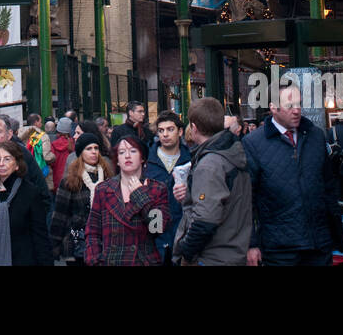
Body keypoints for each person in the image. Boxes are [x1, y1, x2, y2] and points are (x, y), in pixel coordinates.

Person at [243, 84, 343, 266]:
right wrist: (251, 244)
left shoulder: (315, 136)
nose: (296, 110)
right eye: (290, 106)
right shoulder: (253, 143)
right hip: (280, 246)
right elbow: (246, 197)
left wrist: (332, 229)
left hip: (318, 242)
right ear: (273, 107)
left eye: (299, 104)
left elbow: (328, 184)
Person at [171, 98, 251, 266]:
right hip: (234, 253)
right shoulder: (232, 153)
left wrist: (186, 253)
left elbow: (205, 220)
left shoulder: (210, 165)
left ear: (193, 128)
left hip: (211, 257)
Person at [84, 133, 170, 266]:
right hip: (110, 261)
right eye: (122, 152)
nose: (127, 156)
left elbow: (158, 228)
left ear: (142, 157)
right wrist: (94, 260)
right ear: (117, 160)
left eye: (133, 151)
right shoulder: (103, 189)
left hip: (143, 261)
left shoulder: (157, 189)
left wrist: (139, 194)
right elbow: (93, 231)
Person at [0, 139, 51, 266]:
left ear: (17, 164)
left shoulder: (30, 193)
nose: (1, 164)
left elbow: (40, 237)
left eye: (7, 159)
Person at [50, 132, 111, 265]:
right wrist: (55, 244)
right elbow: (60, 215)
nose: (94, 152)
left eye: (96, 148)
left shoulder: (108, 177)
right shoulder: (70, 180)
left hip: (104, 241)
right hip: (76, 242)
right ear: (80, 153)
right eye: (88, 149)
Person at [142, 110, 193, 263]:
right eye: (161, 130)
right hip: (155, 229)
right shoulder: (147, 158)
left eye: (170, 129)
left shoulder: (190, 158)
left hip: (182, 226)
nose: (165, 134)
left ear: (180, 132)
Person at [18, 113, 55, 191]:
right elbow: (47, 157)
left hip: (24, 173)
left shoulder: (18, 136)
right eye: (40, 122)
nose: (41, 124)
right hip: (40, 175)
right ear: (35, 122)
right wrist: (53, 157)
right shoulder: (43, 136)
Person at [50, 117, 75, 191]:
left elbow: (52, 163)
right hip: (71, 179)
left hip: (57, 179)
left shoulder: (54, 145)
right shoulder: (73, 144)